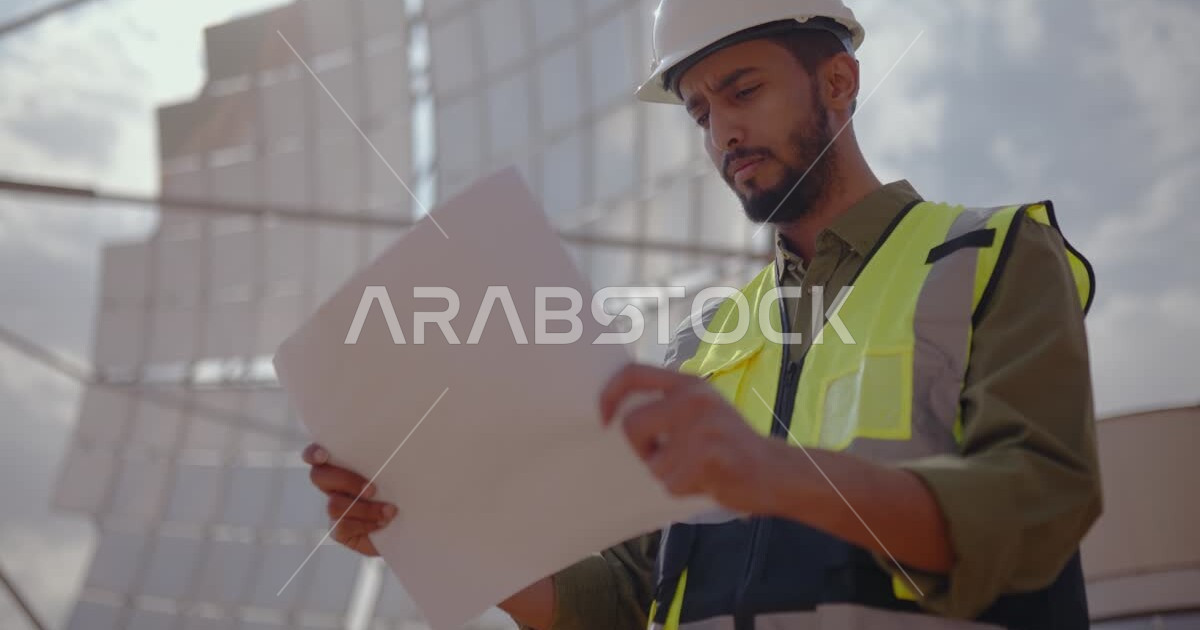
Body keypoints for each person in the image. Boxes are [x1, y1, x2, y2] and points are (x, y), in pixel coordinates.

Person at [304, 0, 1102, 628]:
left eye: (743, 90)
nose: (722, 131)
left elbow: (1036, 510)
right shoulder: (703, 346)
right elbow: (627, 598)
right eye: (698, 112)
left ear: (839, 83)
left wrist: (778, 476)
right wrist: (426, 530)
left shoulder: (994, 255)